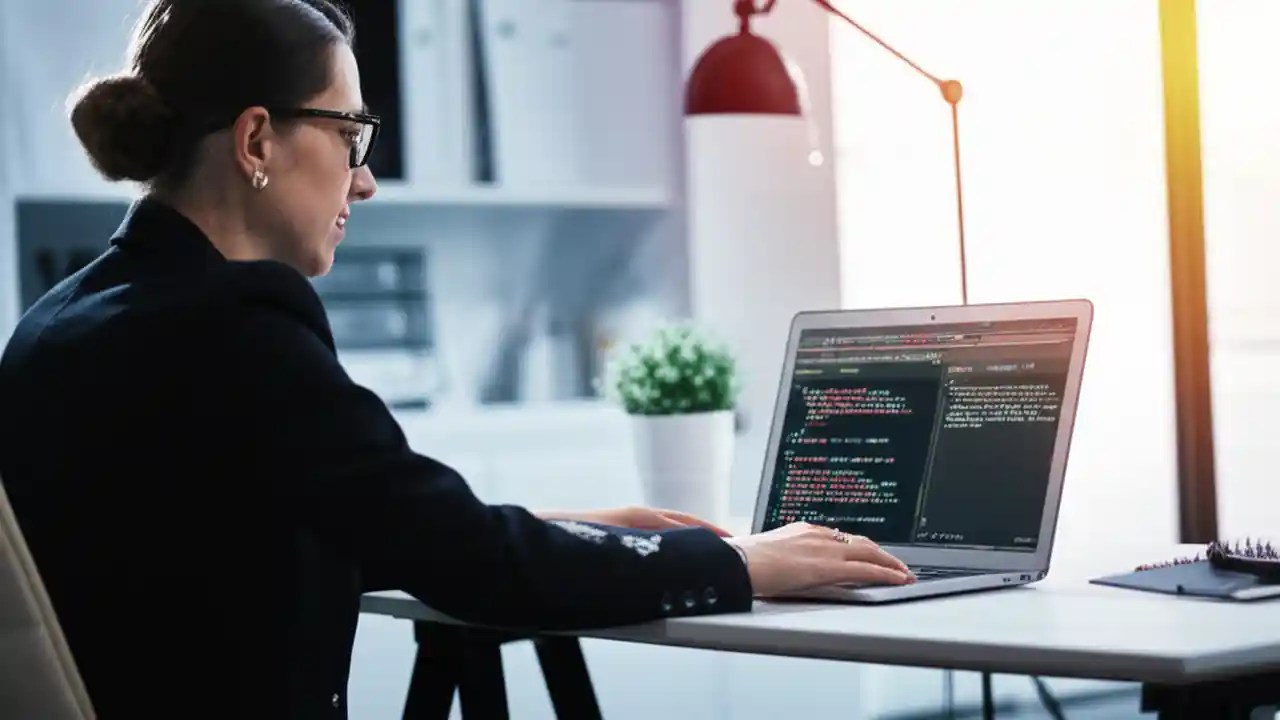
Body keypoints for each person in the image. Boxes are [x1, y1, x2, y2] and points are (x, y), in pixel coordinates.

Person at [0, 1, 913, 717]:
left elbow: (260, 540)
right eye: (350, 134)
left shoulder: (62, 323)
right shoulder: (234, 331)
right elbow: (476, 566)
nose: (365, 178)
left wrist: (576, 526)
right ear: (256, 141)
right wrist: (740, 563)